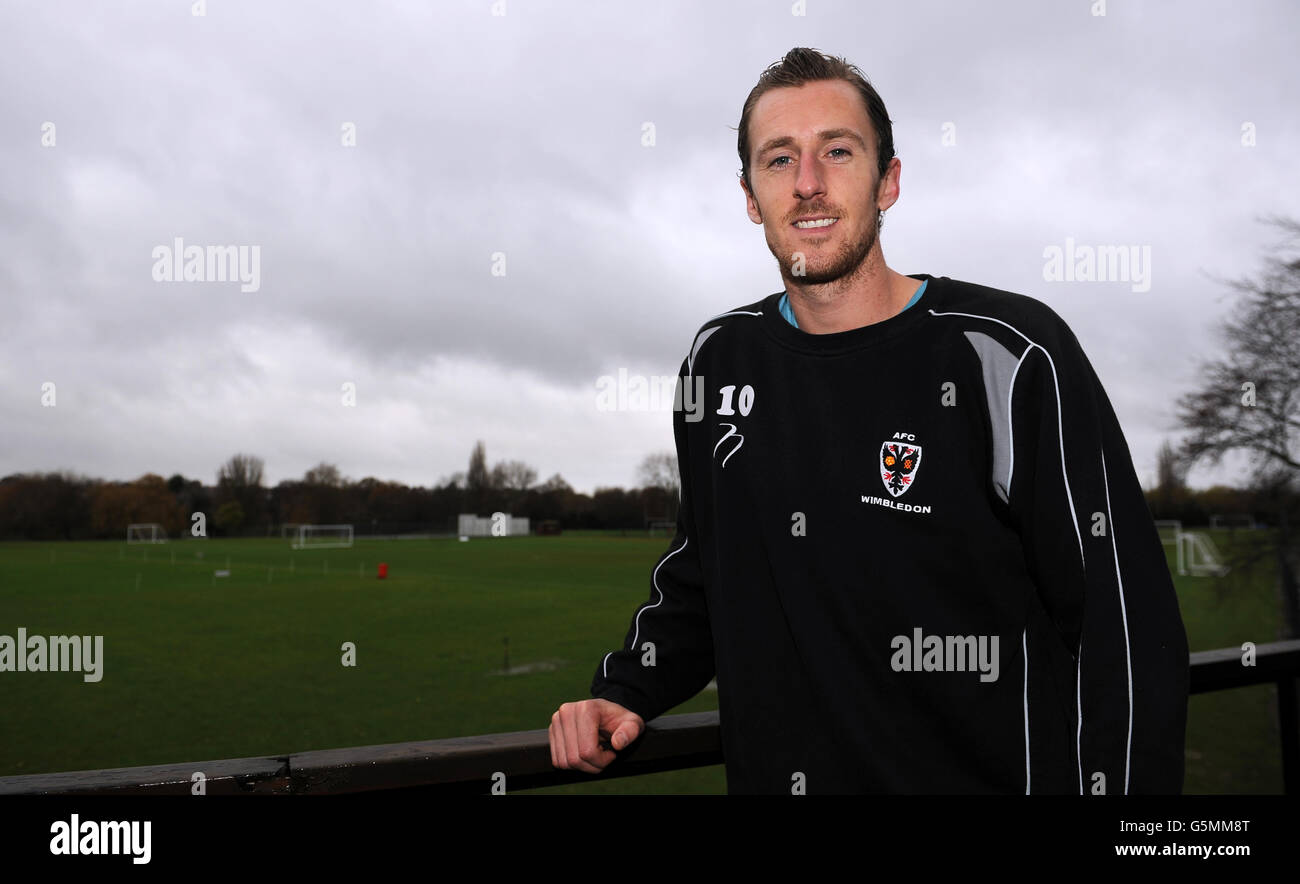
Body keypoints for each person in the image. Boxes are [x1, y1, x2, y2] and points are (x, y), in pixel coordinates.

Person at [549, 47, 1189, 794]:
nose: (809, 184)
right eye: (780, 159)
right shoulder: (718, 361)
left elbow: (1126, 631)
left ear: (888, 181)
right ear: (751, 196)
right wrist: (625, 689)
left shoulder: (1010, 356)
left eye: (838, 151)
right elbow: (703, 572)